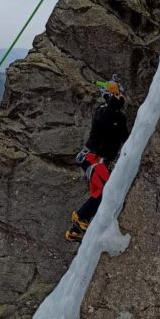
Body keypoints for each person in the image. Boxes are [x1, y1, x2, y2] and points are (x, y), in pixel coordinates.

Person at [66, 77, 129, 242]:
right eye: (118, 96)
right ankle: (79, 217)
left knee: (99, 193)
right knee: (106, 191)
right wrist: (113, 97)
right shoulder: (102, 111)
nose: (120, 98)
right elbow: (106, 118)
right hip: (93, 158)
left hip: (101, 161)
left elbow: (126, 137)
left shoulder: (120, 118)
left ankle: (76, 230)